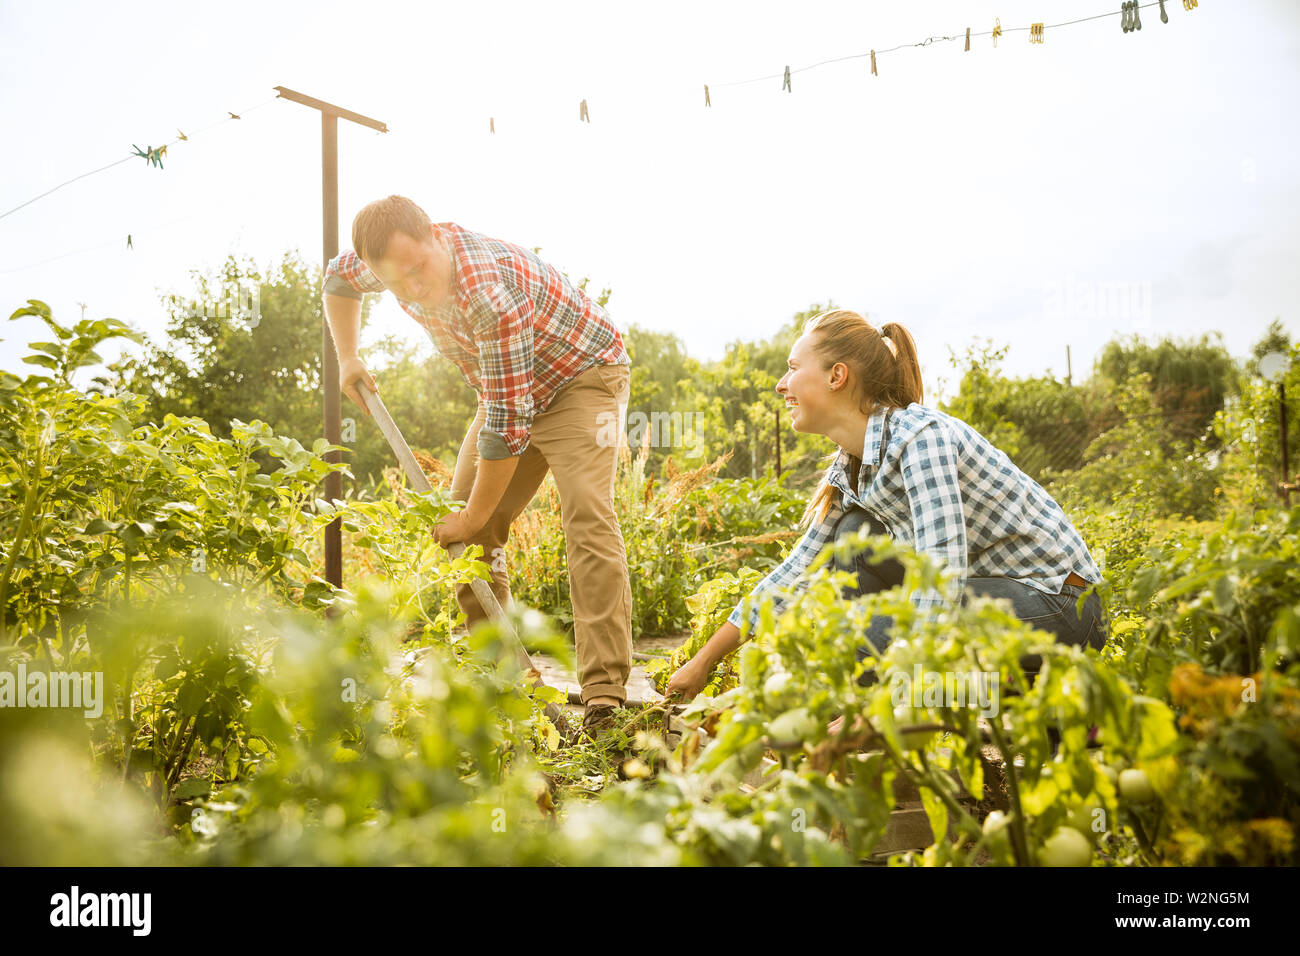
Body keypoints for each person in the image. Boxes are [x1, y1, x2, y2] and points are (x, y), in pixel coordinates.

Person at [666, 309, 1107, 700]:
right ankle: (912, 709)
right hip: (995, 593)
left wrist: (881, 698)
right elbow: (797, 571)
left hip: (1061, 604)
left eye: (793, 368)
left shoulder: (920, 439)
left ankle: (904, 716)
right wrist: (703, 662)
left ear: (837, 376)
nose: (781, 385)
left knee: (875, 634)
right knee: (854, 537)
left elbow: (941, 579)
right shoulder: (851, 468)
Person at [321, 195, 633, 733]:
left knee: (585, 514)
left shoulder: (489, 293)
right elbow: (337, 278)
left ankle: (604, 696)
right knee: (465, 533)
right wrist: (348, 355)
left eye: (419, 269)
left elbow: (509, 426)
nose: (414, 289)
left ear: (437, 236)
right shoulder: (387, 265)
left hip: (583, 376)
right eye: (397, 282)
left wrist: (472, 514)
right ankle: (508, 681)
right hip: (506, 392)